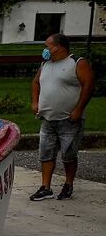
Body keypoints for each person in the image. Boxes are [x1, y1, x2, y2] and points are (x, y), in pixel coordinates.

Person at [30, 33, 95, 201]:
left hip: (69, 119)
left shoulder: (77, 63)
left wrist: (79, 109)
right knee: (46, 153)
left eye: (47, 46)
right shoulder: (45, 64)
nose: (45, 50)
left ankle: (68, 184)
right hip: (48, 119)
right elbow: (36, 82)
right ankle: (45, 187)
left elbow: (88, 85)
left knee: (68, 154)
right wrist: (35, 102)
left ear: (58, 47)